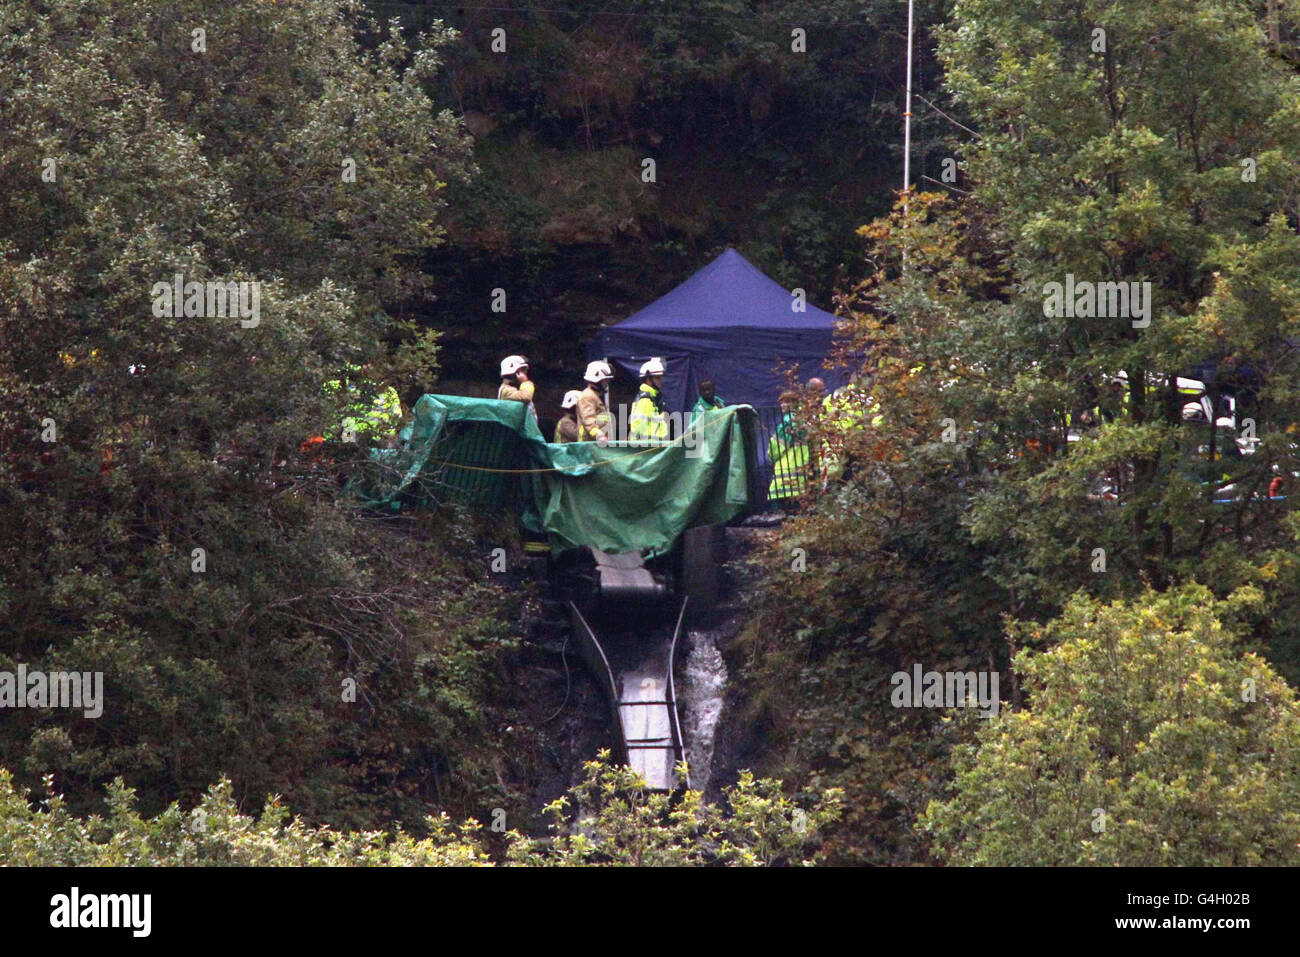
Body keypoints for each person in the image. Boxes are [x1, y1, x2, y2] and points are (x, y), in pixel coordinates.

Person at [768, 390, 811, 502]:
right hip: (802, 459)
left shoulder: (788, 421)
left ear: (793, 404)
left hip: (789, 460)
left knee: (778, 489)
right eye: (781, 402)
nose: (782, 405)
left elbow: (778, 446)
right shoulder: (804, 418)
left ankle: (779, 513)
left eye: (786, 402)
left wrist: (770, 454)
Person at [629, 357, 670, 443]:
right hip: (648, 447)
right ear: (648, 379)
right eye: (658, 378)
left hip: (653, 445)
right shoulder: (646, 399)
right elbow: (639, 427)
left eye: (661, 377)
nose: (661, 381)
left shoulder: (652, 397)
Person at [578, 360, 614, 442]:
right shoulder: (587, 396)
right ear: (597, 379)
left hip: (597, 445)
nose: (607, 383)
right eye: (605, 380)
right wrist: (599, 436)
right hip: (589, 446)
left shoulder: (595, 396)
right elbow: (588, 420)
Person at [498, 354, 537, 422]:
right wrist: (525, 381)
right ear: (517, 372)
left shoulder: (512, 388)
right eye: (523, 370)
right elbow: (526, 396)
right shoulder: (506, 390)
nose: (526, 372)